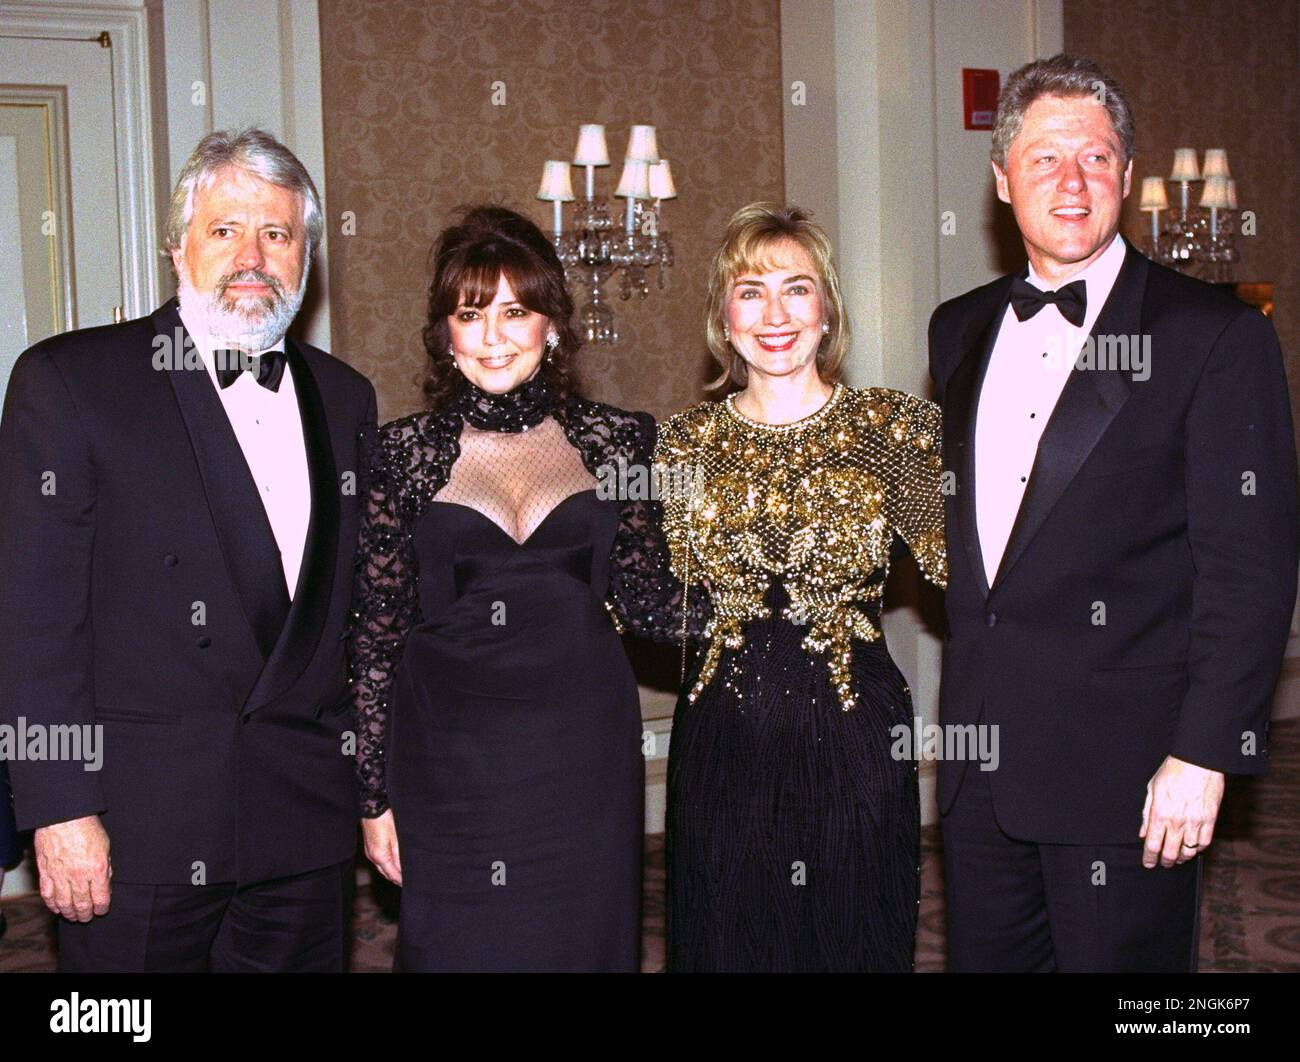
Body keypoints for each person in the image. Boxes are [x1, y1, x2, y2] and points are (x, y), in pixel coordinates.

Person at [929, 54, 1299, 972]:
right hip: (980, 765)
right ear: (1001, 175)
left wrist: (1205, 755)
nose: (1072, 180)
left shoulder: (1213, 336)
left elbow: (1250, 570)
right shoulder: (960, 326)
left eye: (1095, 158)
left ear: (1127, 178)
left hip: (1129, 774)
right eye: (1046, 157)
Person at [0, 129, 376, 972]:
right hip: (135, 829)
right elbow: (31, 622)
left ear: (306, 255)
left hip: (301, 823)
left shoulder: (346, 396)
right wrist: (59, 812)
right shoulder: (70, 382)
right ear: (177, 248)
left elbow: (351, 620)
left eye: (276, 234)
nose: (252, 257)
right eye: (224, 231)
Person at [348, 204, 698, 972]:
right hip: (448, 759)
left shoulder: (621, 440)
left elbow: (646, 598)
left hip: (582, 754)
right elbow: (376, 635)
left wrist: (770, 593)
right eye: (471, 314)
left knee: (581, 943)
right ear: (444, 332)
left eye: (516, 311)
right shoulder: (398, 455)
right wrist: (373, 797)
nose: (494, 335)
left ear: (553, 326)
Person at [655, 202, 947, 971]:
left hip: (854, 737)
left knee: (851, 935)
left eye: (797, 288)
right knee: (726, 939)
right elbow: (651, 593)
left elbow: (981, 574)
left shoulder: (897, 431)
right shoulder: (684, 443)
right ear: (724, 316)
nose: (775, 313)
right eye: (750, 291)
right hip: (722, 741)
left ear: (827, 310)